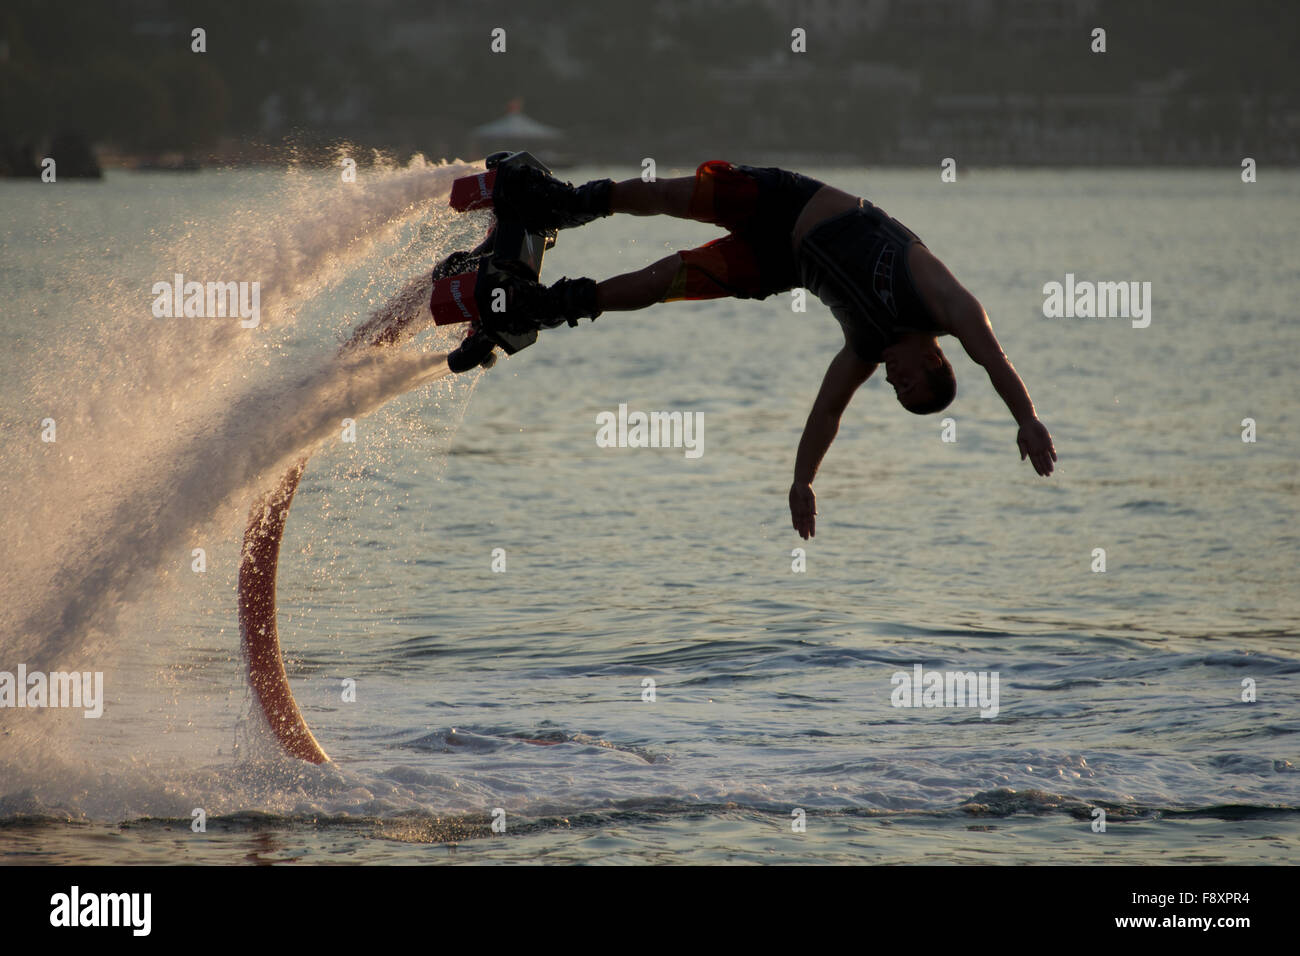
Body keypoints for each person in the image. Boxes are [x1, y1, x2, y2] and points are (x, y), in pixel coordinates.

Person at [490, 160, 1057, 539]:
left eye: (895, 392)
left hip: (783, 265)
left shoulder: (865, 349)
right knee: (672, 195)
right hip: (791, 205)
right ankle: (562, 202)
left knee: (667, 282)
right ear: (935, 360)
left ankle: (546, 305)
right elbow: (995, 359)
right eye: (907, 383)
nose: (891, 381)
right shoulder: (945, 302)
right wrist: (1027, 418)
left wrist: (803, 479)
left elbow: (827, 413)